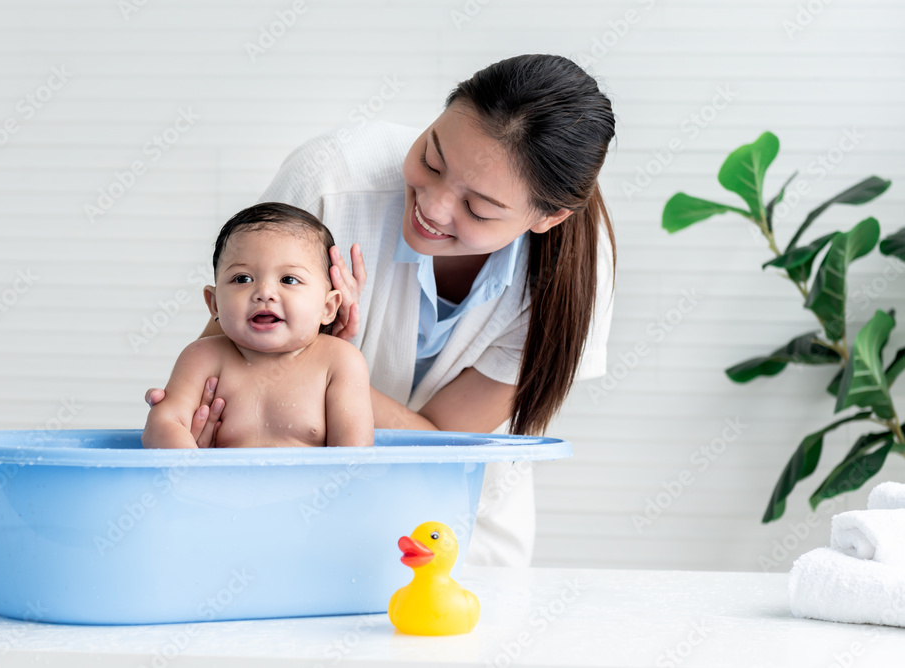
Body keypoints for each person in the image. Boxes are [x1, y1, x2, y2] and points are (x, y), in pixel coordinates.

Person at [147, 54, 615, 565]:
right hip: (277, 518)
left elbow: (443, 445)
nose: (432, 207)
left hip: (457, 531)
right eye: (432, 161)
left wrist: (322, 362)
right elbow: (225, 369)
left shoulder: (575, 277)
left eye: (477, 208)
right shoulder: (331, 182)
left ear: (548, 217)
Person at [142, 202, 373, 449]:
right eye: (243, 278)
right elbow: (164, 423)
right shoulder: (202, 358)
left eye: (289, 279)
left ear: (328, 308)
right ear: (214, 303)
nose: (264, 292)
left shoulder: (339, 362)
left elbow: (353, 458)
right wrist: (191, 467)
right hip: (217, 487)